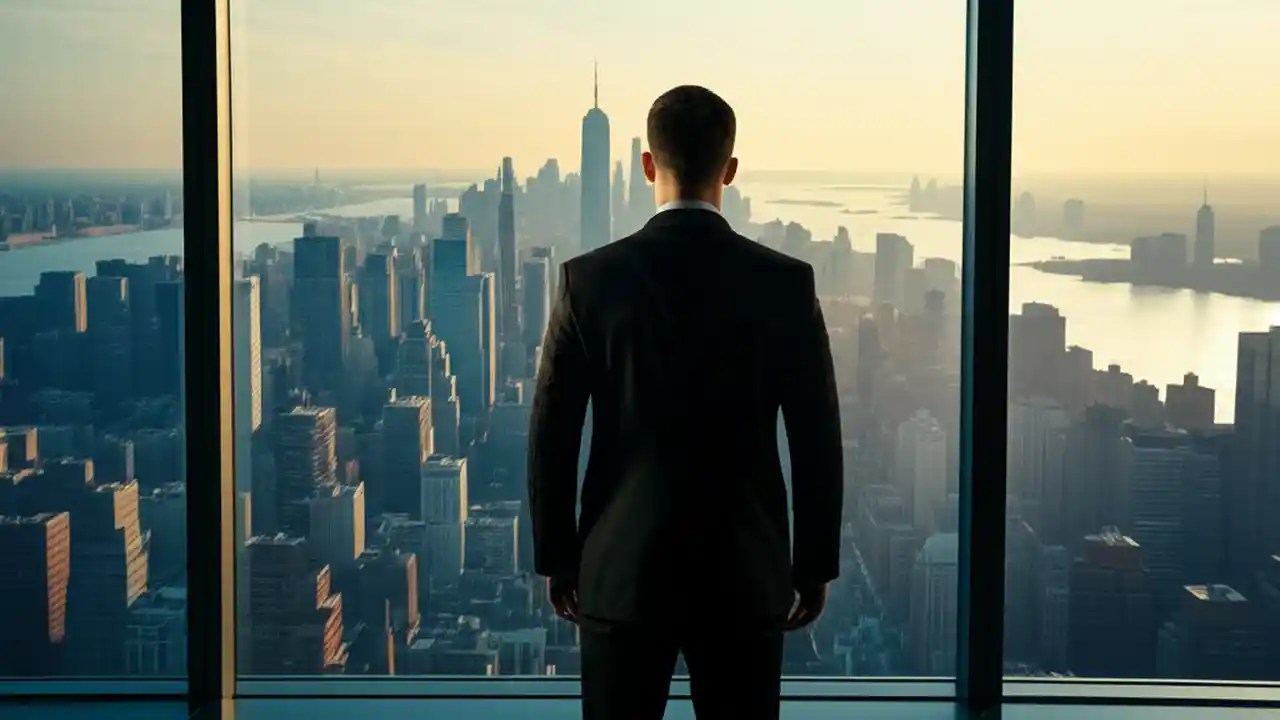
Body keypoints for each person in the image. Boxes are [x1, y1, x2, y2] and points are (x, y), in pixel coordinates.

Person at [528, 85, 843, 719]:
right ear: (730, 169)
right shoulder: (785, 284)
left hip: (622, 573)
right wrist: (812, 566)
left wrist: (560, 559)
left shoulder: (590, 281)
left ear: (648, 164)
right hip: (744, 575)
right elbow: (817, 438)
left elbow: (553, 432)